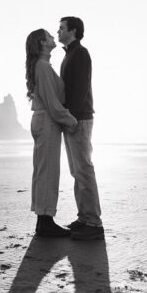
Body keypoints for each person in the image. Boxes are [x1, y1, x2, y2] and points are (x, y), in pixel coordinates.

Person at [25, 28, 78, 237]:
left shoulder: (41, 66)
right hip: (47, 120)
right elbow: (52, 103)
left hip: (41, 119)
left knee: (42, 170)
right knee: (48, 171)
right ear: (41, 43)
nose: (52, 37)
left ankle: (43, 220)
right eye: (48, 36)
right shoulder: (43, 67)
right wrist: (71, 121)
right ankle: (45, 221)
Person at [57, 16, 104, 240]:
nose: (58, 31)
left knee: (84, 169)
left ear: (73, 31)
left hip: (79, 119)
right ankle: (84, 217)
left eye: (61, 28)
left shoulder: (81, 53)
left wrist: (71, 117)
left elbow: (82, 88)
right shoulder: (69, 55)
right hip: (73, 119)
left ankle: (94, 223)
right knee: (77, 171)